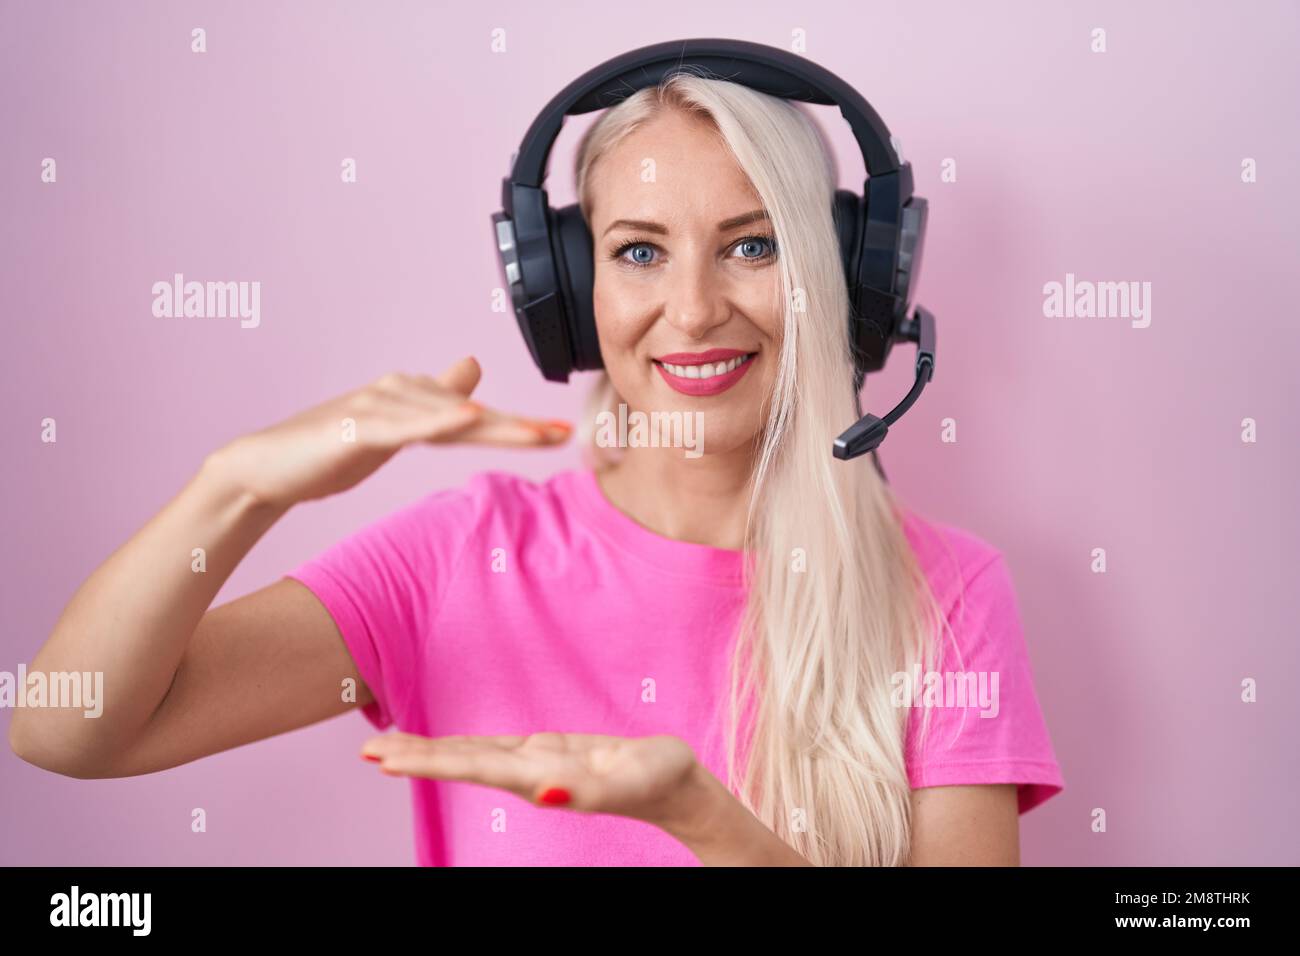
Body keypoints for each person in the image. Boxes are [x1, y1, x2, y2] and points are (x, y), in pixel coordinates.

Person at [9, 73, 1063, 866]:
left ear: (842, 277)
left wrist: (703, 820)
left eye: (751, 245)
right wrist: (236, 484)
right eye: (639, 251)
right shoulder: (464, 555)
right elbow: (68, 728)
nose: (692, 310)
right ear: (566, 292)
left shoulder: (944, 592)